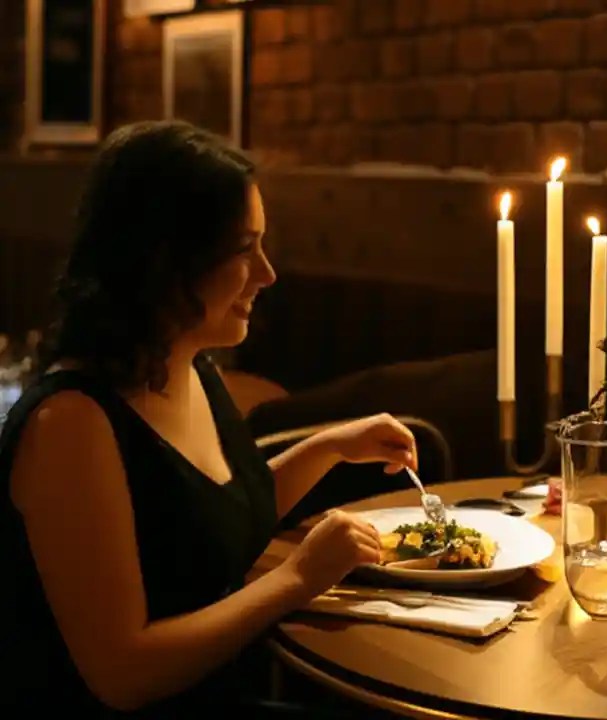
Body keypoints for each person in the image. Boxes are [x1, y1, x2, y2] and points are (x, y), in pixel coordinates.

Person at [0, 120, 419, 716]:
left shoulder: (190, 368)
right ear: (168, 263)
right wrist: (296, 578)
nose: (268, 274)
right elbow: (123, 672)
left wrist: (328, 448)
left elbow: (213, 524)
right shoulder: (72, 423)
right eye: (245, 249)